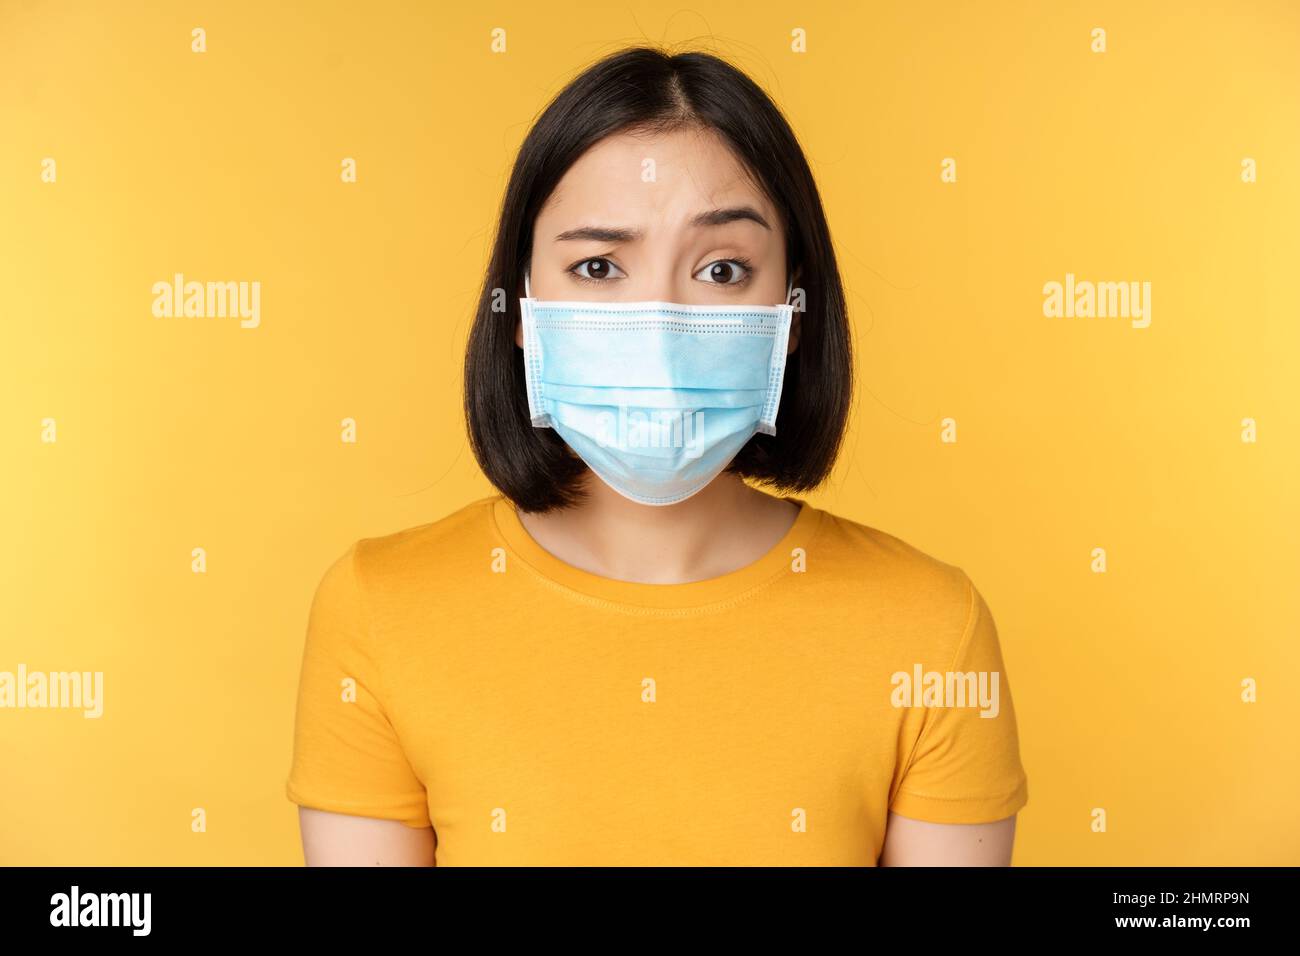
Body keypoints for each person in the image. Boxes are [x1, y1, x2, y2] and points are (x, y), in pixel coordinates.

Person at [286, 45, 1028, 866]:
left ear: (793, 313)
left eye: (721, 269)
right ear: (521, 311)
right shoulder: (380, 609)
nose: (661, 326)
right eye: (598, 266)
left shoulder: (931, 629)